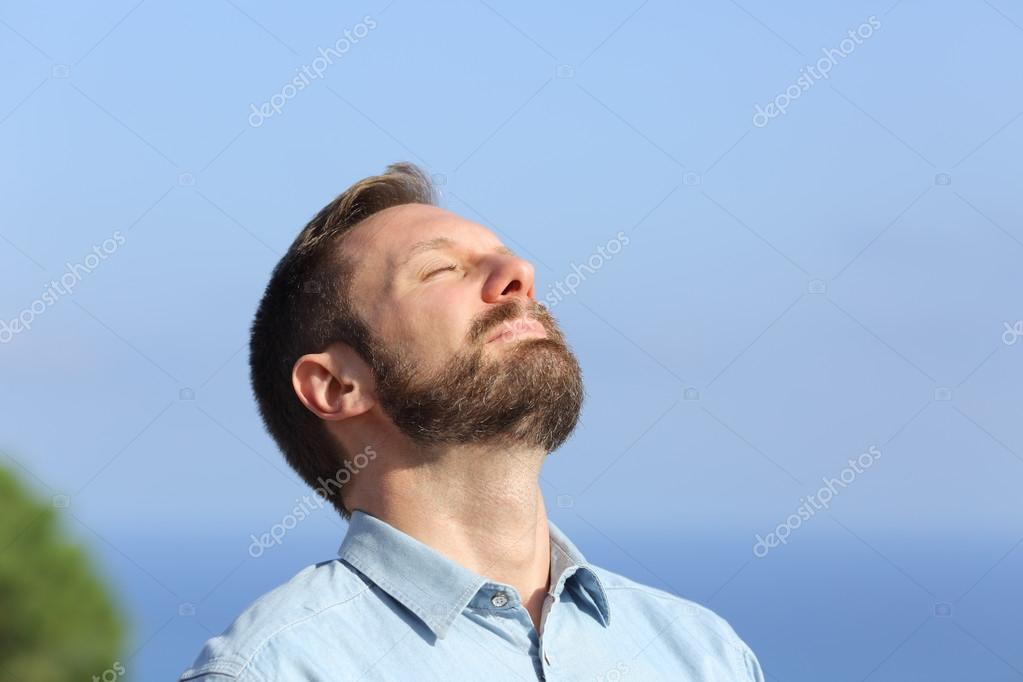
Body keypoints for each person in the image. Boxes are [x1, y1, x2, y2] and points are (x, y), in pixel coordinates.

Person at [179, 163, 764, 681]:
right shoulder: (277, 669)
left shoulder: (705, 655)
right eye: (440, 270)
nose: (520, 273)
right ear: (337, 386)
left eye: (505, 254)